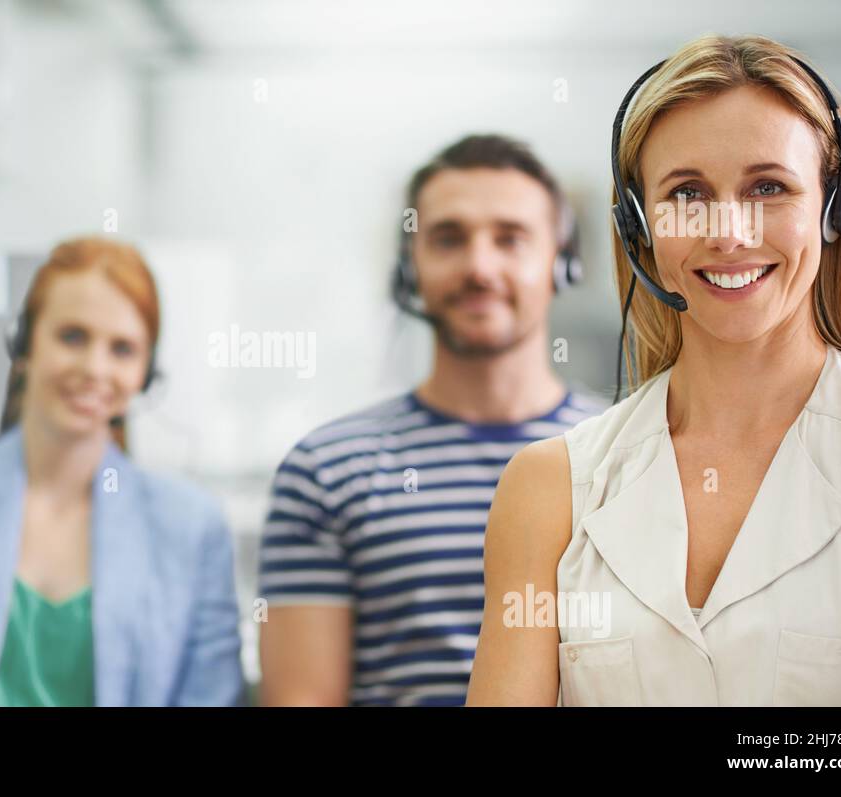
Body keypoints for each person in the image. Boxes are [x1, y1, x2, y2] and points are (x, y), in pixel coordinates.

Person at [467, 34, 841, 706]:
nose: (728, 231)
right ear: (639, 226)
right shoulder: (550, 488)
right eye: (687, 192)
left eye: (768, 186)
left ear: (834, 208)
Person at [258, 134, 604, 706]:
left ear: (561, 264)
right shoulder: (323, 470)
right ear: (409, 267)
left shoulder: (628, 453)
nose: (479, 266)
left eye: (511, 238)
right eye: (448, 239)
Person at [0, 236, 245, 706]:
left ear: (146, 373)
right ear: (25, 343)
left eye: (123, 349)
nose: (95, 367)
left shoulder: (192, 527)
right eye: (73, 336)